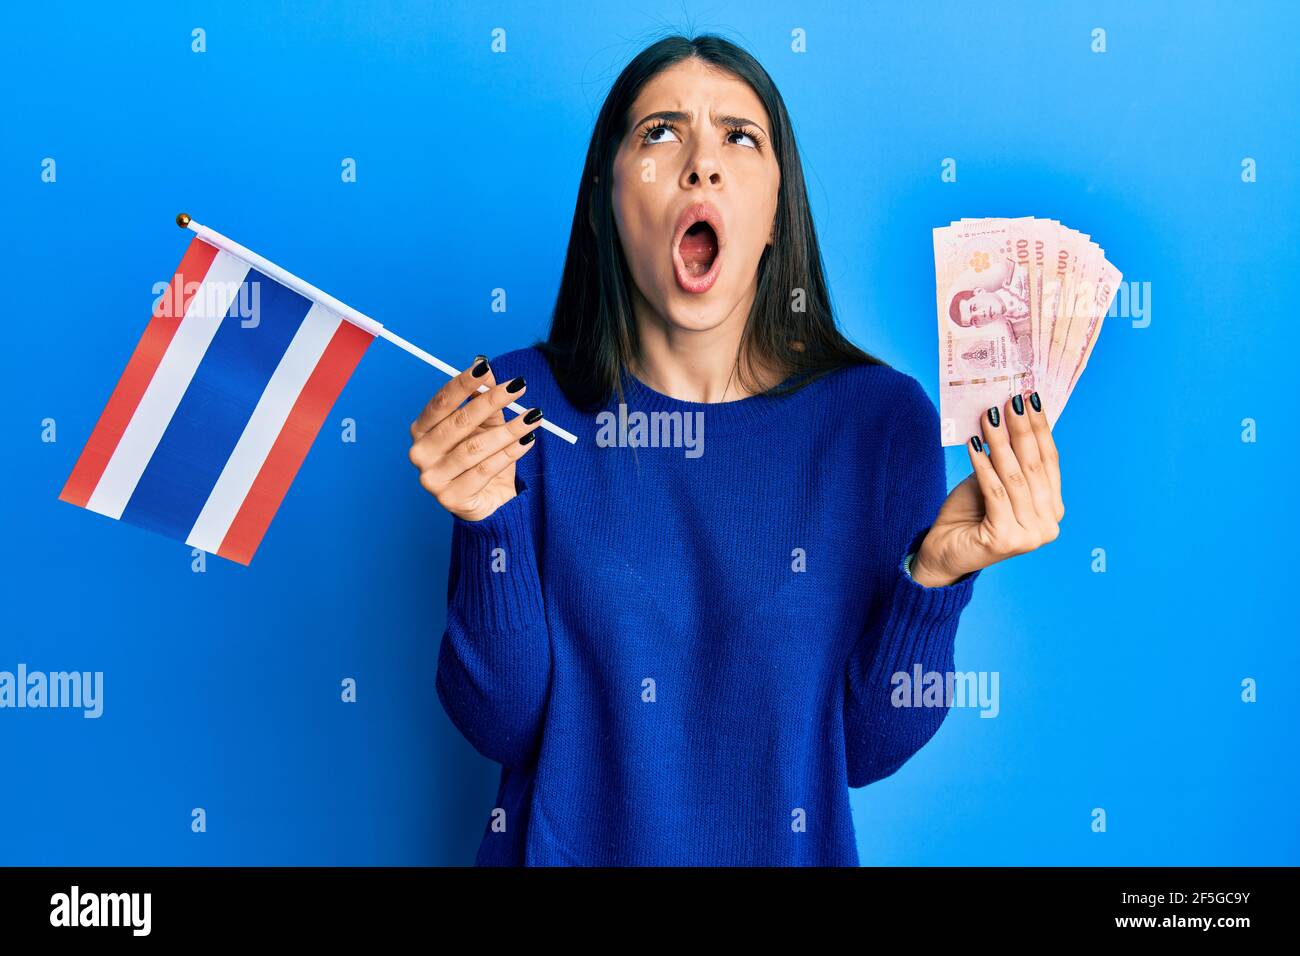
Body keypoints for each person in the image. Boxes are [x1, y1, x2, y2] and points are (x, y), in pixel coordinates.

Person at [407, 34, 1064, 866]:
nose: (701, 166)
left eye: (738, 138)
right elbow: (501, 720)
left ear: (775, 206)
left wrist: (935, 578)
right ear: (609, 194)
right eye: (659, 134)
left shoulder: (879, 422)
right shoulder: (512, 408)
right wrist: (487, 526)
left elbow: (861, 750)